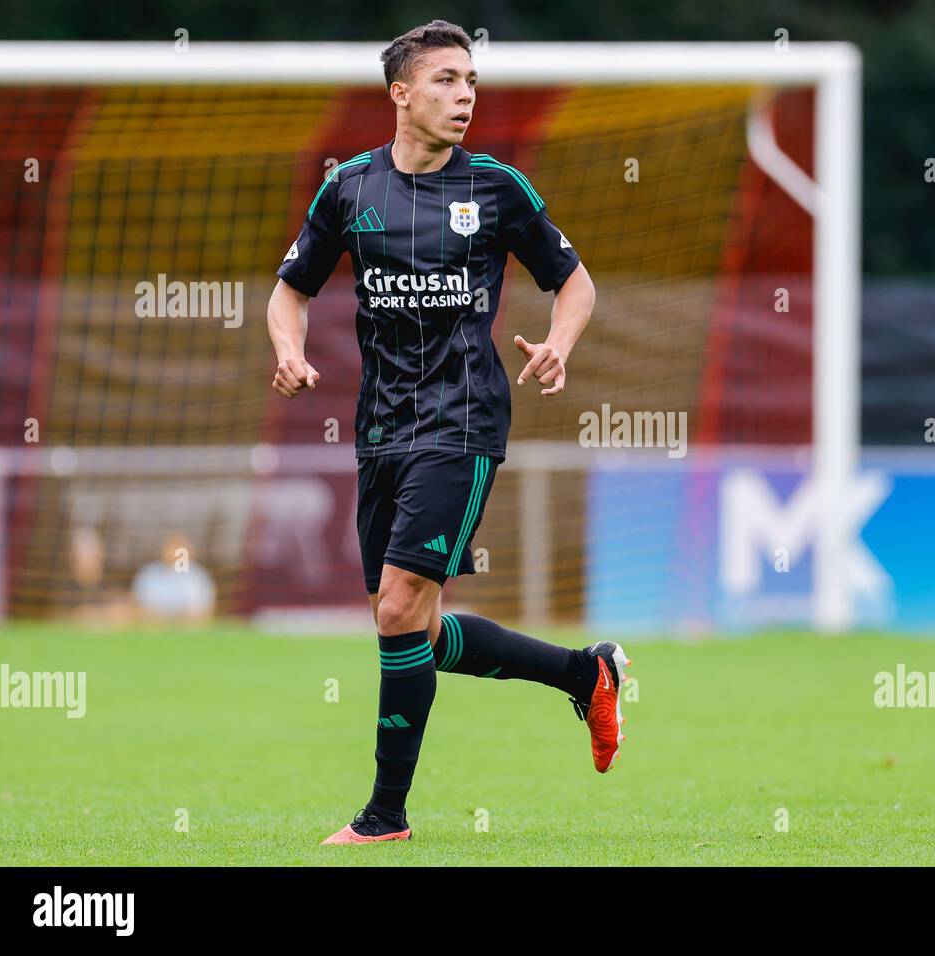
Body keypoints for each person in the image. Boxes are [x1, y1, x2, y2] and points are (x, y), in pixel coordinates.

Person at [266, 19, 629, 846]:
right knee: (416, 630)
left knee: (397, 609)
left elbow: (575, 284)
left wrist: (560, 346)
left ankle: (384, 817)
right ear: (401, 93)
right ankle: (587, 672)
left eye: (470, 80)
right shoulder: (350, 189)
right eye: (445, 80)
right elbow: (289, 289)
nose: (464, 95)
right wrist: (287, 349)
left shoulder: (496, 188)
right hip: (380, 429)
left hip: (463, 422)